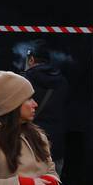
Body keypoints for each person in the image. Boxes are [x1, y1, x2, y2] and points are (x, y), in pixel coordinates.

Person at [24, 43, 69, 173]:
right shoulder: (63, 81)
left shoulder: (24, 80)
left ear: (31, 60)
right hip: (56, 147)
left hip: (32, 146)